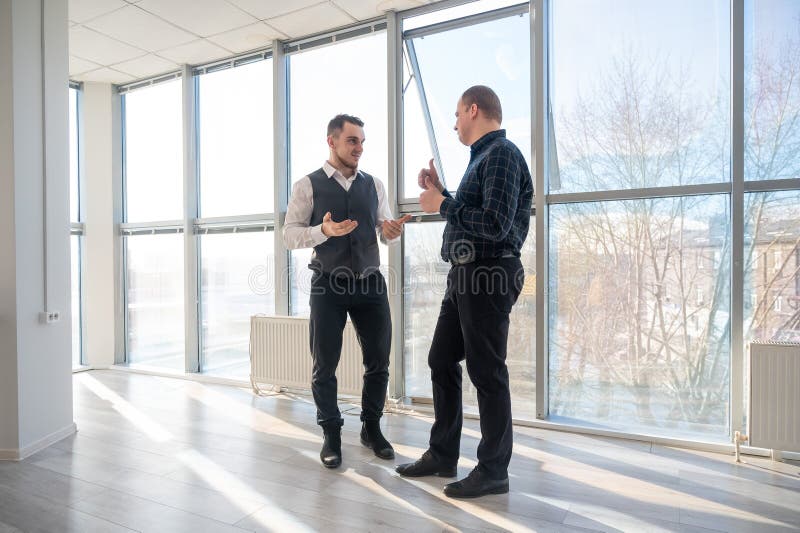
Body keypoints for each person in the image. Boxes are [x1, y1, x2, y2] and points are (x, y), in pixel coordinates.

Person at [396, 86, 533, 498]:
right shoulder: (483, 159)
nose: (454, 123)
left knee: (487, 372)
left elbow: (495, 225)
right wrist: (445, 194)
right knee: (441, 359)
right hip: (465, 275)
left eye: (457, 115)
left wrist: (442, 204)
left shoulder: (501, 154)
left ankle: (494, 471)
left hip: (487, 273)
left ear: (474, 110)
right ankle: (442, 455)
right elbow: (476, 214)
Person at [283, 114, 411, 469]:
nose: (359, 148)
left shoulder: (375, 185)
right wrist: (322, 231)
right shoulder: (307, 185)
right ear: (332, 141)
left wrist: (391, 233)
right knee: (324, 364)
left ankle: (371, 428)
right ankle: (331, 433)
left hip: (370, 282)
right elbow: (289, 235)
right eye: (353, 140)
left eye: (362, 142)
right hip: (328, 284)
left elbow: (384, 230)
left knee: (379, 362)